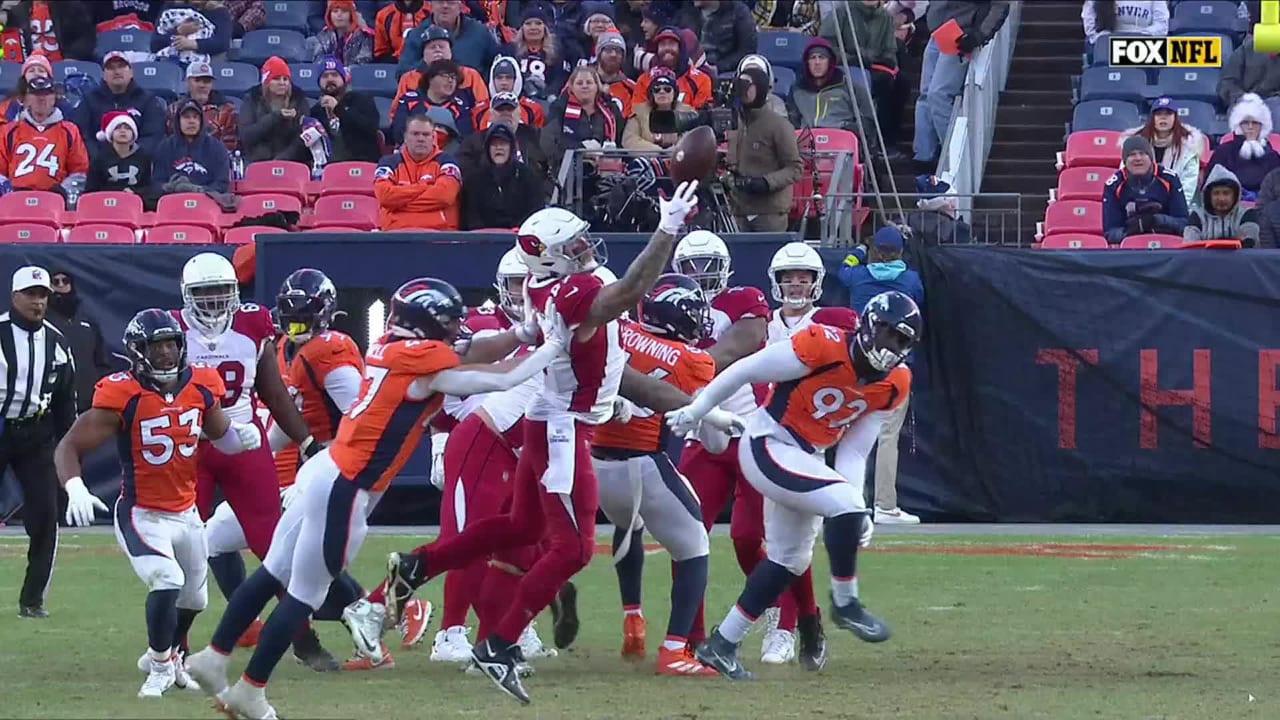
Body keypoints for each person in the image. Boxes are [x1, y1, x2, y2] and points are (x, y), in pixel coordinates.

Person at [346, 185, 722, 705]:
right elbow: (632, 291)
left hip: (547, 425)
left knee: (520, 530)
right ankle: (495, 642)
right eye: (572, 247)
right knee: (573, 550)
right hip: (556, 429)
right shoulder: (569, 294)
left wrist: (697, 407)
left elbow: (622, 375)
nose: (585, 251)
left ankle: (416, 572)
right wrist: (667, 228)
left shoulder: (558, 290)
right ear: (545, 258)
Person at [183, 277, 565, 719]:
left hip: (324, 470)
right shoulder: (424, 363)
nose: (455, 329)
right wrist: (555, 345)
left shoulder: (391, 345)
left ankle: (213, 657)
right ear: (427, 325)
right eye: (448, 322)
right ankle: (251, 690)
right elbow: (503, 377)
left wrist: (522, 334)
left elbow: (469, 352)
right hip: (348, 486)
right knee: (306, 592)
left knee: (273, 572)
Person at [668, 291, 923, 680]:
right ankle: (845, 602)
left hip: (808, 455)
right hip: (768, 441)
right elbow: (744, 370)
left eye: (902, 341)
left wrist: (857, 508)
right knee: (842, 508)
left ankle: (722, 643)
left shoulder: (895, 383)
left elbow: (853, 454)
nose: (892, 348)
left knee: (789, 560)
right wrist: (697, 410)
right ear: (871, 326)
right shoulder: (822, 343)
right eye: (889, 334)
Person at [53, 309, 261, 699]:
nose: (165, 353)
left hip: (186, 511)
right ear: (137, 351)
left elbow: (220, 434)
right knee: (167, 579)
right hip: (142, 512)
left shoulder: (200, 384)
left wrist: (240, 437)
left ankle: (167, 653)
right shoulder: (121, 392)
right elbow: (69, 445)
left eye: (170, 344)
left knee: (195, 598)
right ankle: (162, 666)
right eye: (156, 346)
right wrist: (75, 486)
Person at [203, 269, 361, 673]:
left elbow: (362, 421)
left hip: (335, 472)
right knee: (219, 539)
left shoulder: (329, 350)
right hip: (304, 471)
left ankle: (377, 616)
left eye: (303, 315)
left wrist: (320, 468)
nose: (296, 323)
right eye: (290, 315)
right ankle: (248, 627)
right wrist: (248, 444)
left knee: (297, 560)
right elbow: (284, 421)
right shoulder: (288, 349)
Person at [171, 252, 319, 654]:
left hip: (245, 442)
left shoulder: (253, 325)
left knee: (274, 542)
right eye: (206, 293)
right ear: (187, 295)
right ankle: (173, 645)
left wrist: (305, 440)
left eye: (223, 291)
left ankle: (301, 637)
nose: (216, 301)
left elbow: (272, 389)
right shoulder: (171, 330)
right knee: (184, 546)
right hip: (191, 444)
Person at [591, 274, 718, 676]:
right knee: (694, 546)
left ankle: (633, 615)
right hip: (643, 464)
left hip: (597, 464)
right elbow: (712, 441)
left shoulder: (621, 332)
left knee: (628, 523)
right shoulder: (692, 360)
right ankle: (675, 650)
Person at [1, 266, 76, 619]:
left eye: (43, 294)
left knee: (46, 515)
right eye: (31, 294)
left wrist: (68, 448)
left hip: (36, 432)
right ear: (14, 297)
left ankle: (32, 600)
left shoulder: (57, 341)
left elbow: (65, 399)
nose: (38, 301)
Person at [835, 227, 924, 524]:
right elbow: (919, 299)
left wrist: (860, 249)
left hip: (857, 363)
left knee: (842, 433)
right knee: (887, 437)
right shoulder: (910, 279)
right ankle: (885, 504)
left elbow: (842, 269)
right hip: (894, 365)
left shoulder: (857, 275)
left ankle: (841, 501)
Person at [911, 1, 1010, 174]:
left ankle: (954, 159)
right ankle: (923, 156)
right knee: (926, 97)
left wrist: (979, 35)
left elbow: (1000, 6)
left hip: (959, 35)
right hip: (939, 31)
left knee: (938, 95)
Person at [728, 66, 802, 232]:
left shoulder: (779, 126)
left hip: (769, 212)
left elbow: (795, 168)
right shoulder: (733, 123)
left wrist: (766, 182)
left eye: (748, 85)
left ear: (760, 88)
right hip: (738, 210)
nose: (743, 90)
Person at [820, 1, 899, 151]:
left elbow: (890, 50)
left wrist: (881, 59)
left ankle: (886, 142)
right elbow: (827, 45)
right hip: (845, 65)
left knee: (897, 84)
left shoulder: (886, 18)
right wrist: (850, 58)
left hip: (874, 67)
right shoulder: (841, 13)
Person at [0, 77, 89, 196]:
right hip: (15, 198)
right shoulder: (9, 131)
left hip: (54, 200)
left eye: (46, 94)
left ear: (54, 98)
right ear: (27, 98)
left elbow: (80, 171)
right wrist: (6, 189)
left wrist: (63, 191)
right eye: (36, 94)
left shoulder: (69, 131)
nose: (41, 99)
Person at [375, 114, 463, 230]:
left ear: (433, 137)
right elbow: (385, 197)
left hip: (439, 236)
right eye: (415, 134)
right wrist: (425, 188)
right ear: (405, 137)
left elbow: (444, 196)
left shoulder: (447, 162)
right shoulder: (388, 163)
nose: (421, 139)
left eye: (426, 134)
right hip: (395, 235)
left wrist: (400, 203)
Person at [76, 51, 168, 159]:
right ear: (104, 75)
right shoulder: (89, 100)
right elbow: (81, 135)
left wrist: (130, 156)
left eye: (121, 66)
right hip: (98, 164)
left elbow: (153, 136)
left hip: (139, 164)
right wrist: (100, 158)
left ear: (131, 72)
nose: (117, 71)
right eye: (111, 68)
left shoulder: (147, 99)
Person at [45, 270, 112, 414]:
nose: (61, 285)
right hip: (55, 405)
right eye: (55, 281)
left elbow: (101, 359)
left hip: (90, 402)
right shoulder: (43, 320)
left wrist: (99, 389)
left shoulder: (86, 318)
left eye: (65, 281)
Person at [1102, 135, 1188, 244]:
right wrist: (1132, 232)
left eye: (1143, 154)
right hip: (1132, 250)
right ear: (1124, 160)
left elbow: (1184, 225)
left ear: (1151, 158)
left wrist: (1157, 220)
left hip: (1167, 246)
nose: (1138, 158)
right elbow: (1110, 232)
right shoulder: (1113, 185)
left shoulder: (1170, 179)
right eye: (1132, 155)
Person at [1119, 96, 1203, 208]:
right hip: (1138, 205)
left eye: (1168, 113)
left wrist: (1172, 212)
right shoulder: (1135, 143)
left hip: (1176, 210)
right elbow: (1124, 176)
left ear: (1175, 117)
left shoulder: (1189, 148)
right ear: (1152, 117)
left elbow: (1187, 189)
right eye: (1158, 114)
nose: (1163, 118)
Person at [461, 123, 545, 229]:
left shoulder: (528, 176)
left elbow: (535, 213)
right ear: (487, 148)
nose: (499, 148)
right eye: (494, 144)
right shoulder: (474, 179)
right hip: (484, 239)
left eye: (503, 143)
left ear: (511, 148)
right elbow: (470, 217)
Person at [542, 65, 623, 173]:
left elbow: (621, 139)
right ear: (571, 87)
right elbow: (549, 143)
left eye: (589, 82)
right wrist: (582, 148)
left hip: (607, 171)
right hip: (569, 172)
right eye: (579, 83)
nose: (585, 86)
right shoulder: (559, 108)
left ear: (597, 86)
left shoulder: (611, 110)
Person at [1206, 93, 1280, 202]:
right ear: (1238, 125)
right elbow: (1210, 187)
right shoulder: (1222, 153)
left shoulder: (1272, 157)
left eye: (1255, 123)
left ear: (1262, 127)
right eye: (1245, 123)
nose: (1250, 127)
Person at [307, 56, 381, 163]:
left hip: (362, 165)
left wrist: (338, 108)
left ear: (343, 79)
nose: (330, 79)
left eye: (335, 75)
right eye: (325, 76)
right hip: (329, 170)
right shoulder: (315, 112)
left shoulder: (362, 101)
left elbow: (370, 128)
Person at [397, 0, 498, 78]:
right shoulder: (416, 35)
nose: (445, 6)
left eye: (450, 2)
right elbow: (401, 74)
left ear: (460, 6)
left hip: (471, 99)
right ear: (431, 5)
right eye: (440, 1)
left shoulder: (480, 32)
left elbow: (497, 66)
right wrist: (424, 65)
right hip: (428, 101)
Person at [239, 56, 311, 163]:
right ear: (266, 82)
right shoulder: (252, 99)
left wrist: (282, 159)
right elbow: (247, 136)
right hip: (259, 163)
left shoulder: (299, 100)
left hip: (293, 163)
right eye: (276, 78)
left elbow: (305, 136)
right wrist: (276, 117)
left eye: (285, 79)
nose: (282, 83)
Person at [152, 99, 230, 196]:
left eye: (195, 117)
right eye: (186, 117)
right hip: (173, 202)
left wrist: (200, 190)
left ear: (201, 121)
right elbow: (156, 184)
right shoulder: (165, 147)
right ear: (178, 120)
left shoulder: (217, 148)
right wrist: (170, 187)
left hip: (207, 203)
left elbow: (222, 183)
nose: (191, 121)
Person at [499, 4, 577, 101]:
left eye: (538, 23)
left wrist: (547, 92)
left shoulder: (557, 51)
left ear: (545, 28)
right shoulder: (509, 51)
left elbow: (559, 80)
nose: (533, 27)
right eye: (528, 24)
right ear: (521, 28)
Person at [391, 58, 477, 144]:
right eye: (445, 76)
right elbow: (399, 133)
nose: (451, 81)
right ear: (430, 78)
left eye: (454, 78)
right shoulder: (409, 100)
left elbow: (465, 139)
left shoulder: (460, 106)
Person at [86, 110, 158, 208]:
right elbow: (91, 190)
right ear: (111, 133)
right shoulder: (99, 159)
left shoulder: (143, 157)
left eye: (127, 128)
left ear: (133, 134)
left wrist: (134, 193)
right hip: (105, 206)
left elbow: (148, 187)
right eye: (118, 128)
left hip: (134, 206)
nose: (123, 131)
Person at [166, 61, 240, 154]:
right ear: (188, 83)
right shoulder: (174, 110)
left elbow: (230, 144)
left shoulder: (227, 110)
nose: (202, 85)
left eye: (207, 81)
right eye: (197, 80)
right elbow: (169, 143)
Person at [631, 26, 712, 110]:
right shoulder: (644, 81)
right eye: (662, 44)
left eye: (671, 44)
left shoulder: (701, 80)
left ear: (680, 48)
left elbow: (701, 115)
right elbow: (638, 113)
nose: (667, 48)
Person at [1184, 165, 1261, 246]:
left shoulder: (1247, 215)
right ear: (1208, 196)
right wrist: (1234, 241)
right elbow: (1190, 246)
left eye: (1226, 193)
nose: (1221, 199)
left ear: (1235, 195)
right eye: (1216, 193)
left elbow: (1250, 244)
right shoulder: (1197, 216)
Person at [623, 66, 691, 151]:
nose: (662, 92)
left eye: (667, 89)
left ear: (675, 93)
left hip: (678, 159)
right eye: (657, 89)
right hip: (649, 159)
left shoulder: (687, 113)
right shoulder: (639, 114)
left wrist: (675, 150)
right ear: (651, 94)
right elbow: (629, 140)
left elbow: (691, 139)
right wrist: (657, 151)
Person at [470, 56, 546, 130]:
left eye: (508, 77)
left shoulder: (533, 110)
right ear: (492, 80)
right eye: (499, 78)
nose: (504, 82)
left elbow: (538, 140)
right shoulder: (478, 112)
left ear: (516, 80)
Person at [150, 0, 234, 65]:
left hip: (203, 67)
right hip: (169, 62)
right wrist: (178, 31)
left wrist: (193, 44)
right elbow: (154, 44)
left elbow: (222, 43)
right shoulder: (170, 7)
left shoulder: (219, 12)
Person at [692, 0, 758, 75]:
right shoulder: (685, 12)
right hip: (691, 73)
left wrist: (718, 67)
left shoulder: (738, 12)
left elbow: (747, 51)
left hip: (723, 74)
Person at [307, 0, 374, 66]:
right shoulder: (323, 36)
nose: (339, 15)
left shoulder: (364, 36)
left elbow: (363, 62)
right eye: (335, 11)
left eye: (344, 11)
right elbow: (319, 63)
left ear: (351, 14)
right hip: (329, 75)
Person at [1082, 0, 1169, 47]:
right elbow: (1091, 28)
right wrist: (1106, 39)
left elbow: (1162, 25)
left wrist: (1140, 37)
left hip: (1144, 45)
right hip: (1110, 47)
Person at [594, 29, 635, 120]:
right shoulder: (582, 82)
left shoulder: (632, 89)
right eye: (608, 50)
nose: (613, 54)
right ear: (599, 54)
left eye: (618, 51)